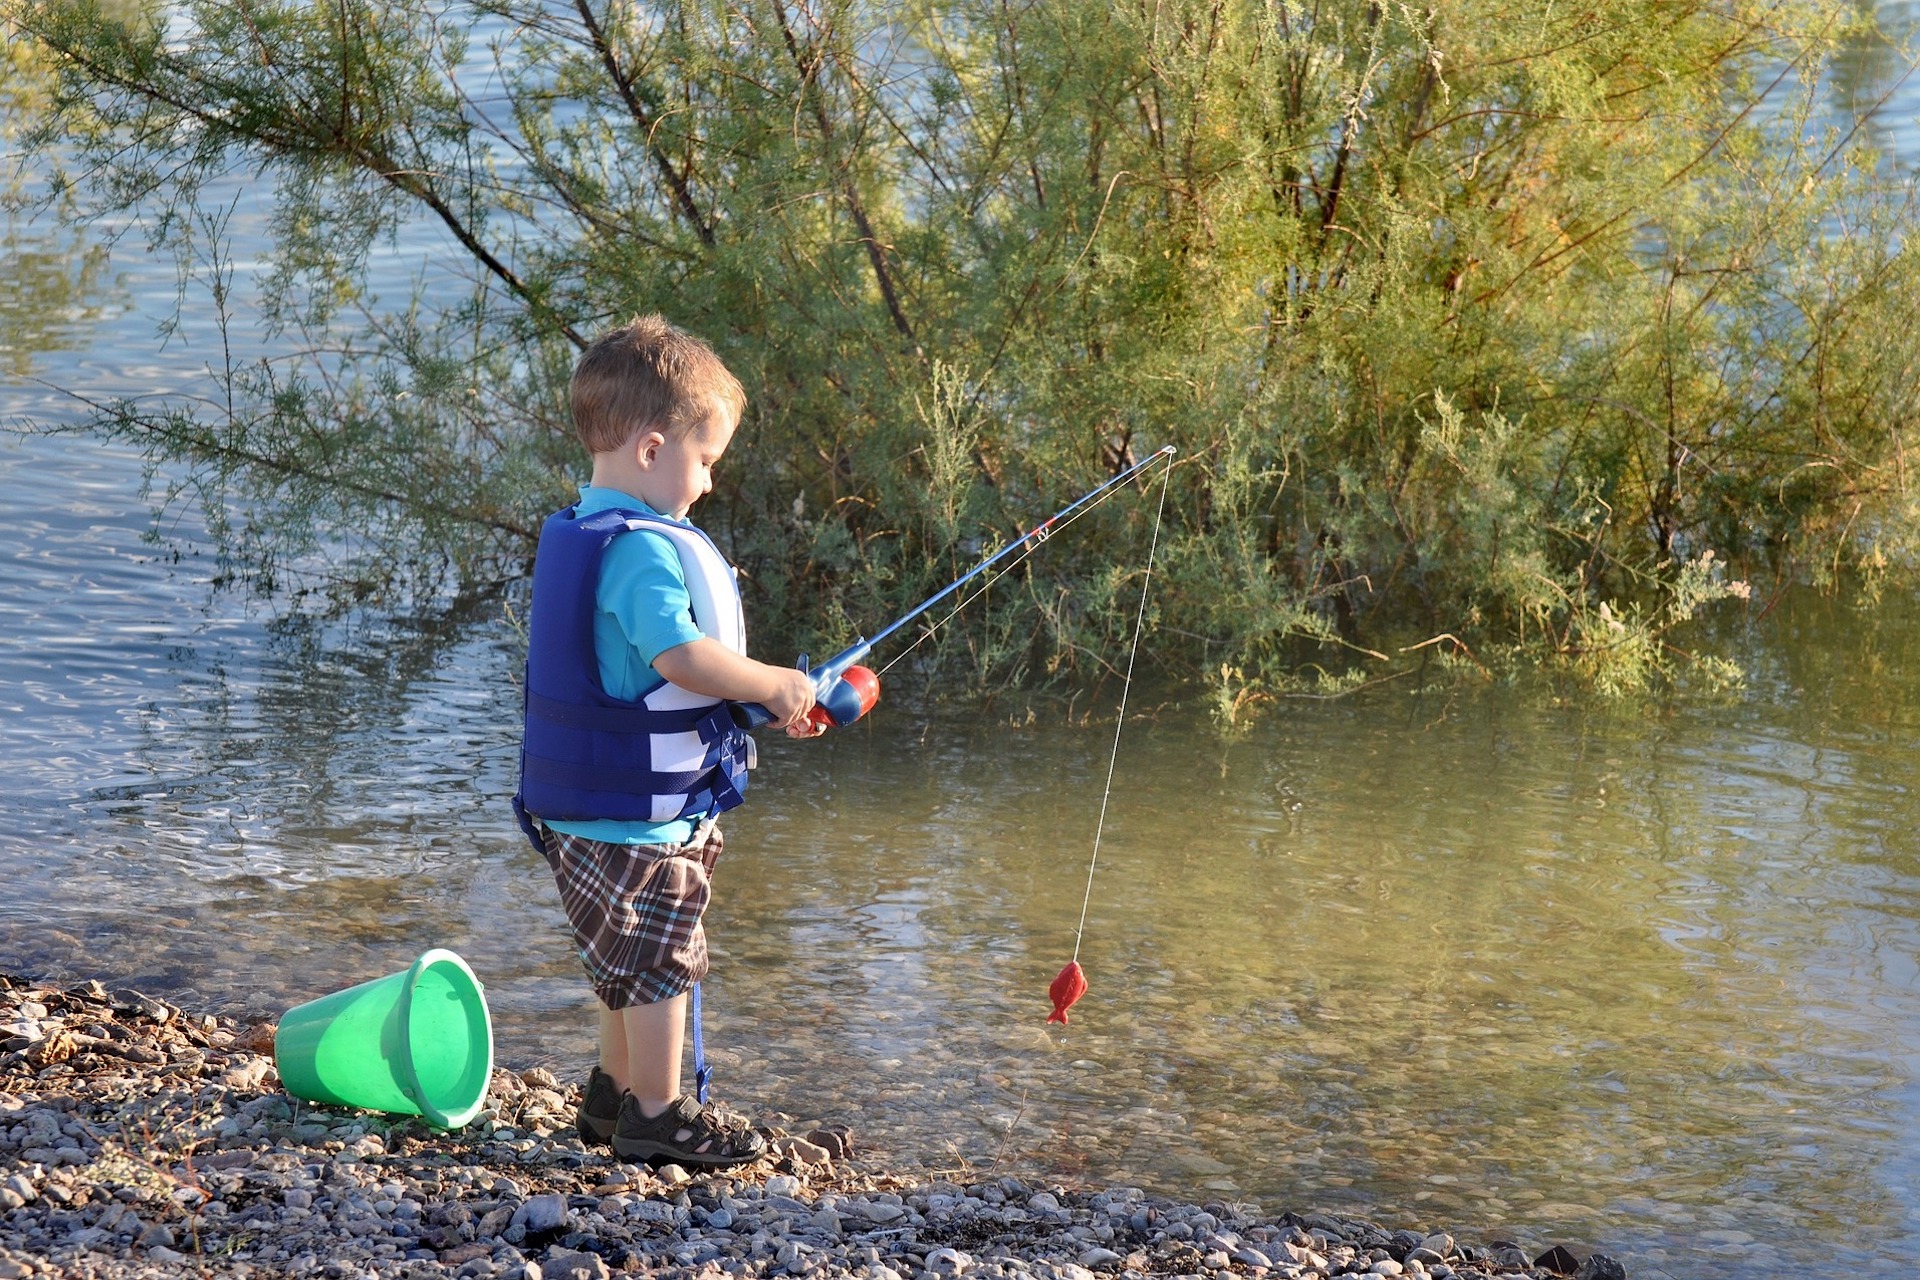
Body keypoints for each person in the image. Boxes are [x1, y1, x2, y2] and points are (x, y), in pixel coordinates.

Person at [513, 315, 821, 1168]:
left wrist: (754, 704)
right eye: (707, 460)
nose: (710, 484)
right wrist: (770, 683)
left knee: (626, 962)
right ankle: (656, 1113)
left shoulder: (589, 528)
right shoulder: (644, 554)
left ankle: (611, 1099)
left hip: (594, 811)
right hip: (635, 821)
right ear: (652, 449)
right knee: (661, 965)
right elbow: (679, 656)